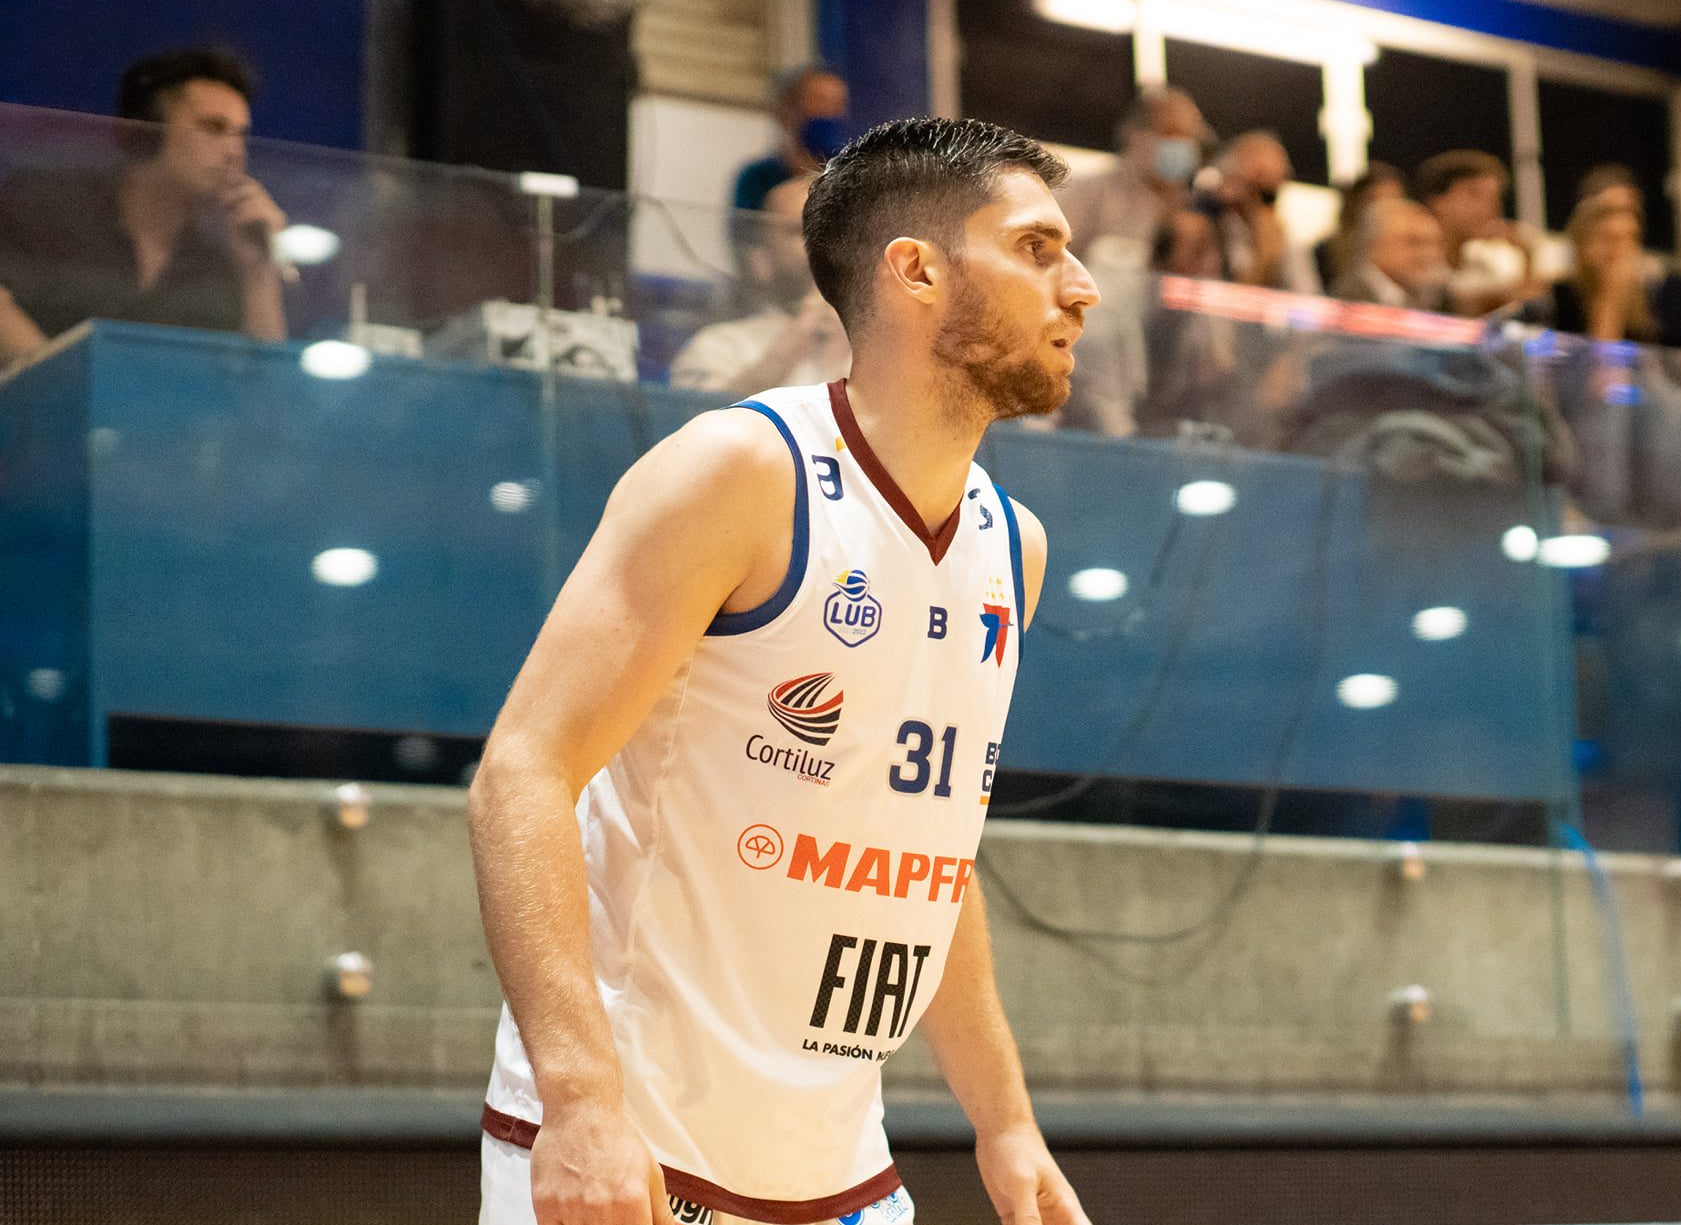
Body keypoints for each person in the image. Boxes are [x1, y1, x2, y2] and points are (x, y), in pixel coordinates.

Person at [471, 116, 1099, 1225]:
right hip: (635, 1147)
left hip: (839, 1164)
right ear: (915, 270)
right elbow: (521, 773)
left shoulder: (1016, 546)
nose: (1082, 287)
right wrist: (578, 1101)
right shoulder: (741, 471)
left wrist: (1004, 1120)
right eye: (1037, 249)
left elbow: (930, 852)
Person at [0, 47, 288, 367]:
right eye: (213, 128)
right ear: (148, 131)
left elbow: (263, 384)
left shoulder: (219, 264)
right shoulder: (46, 202)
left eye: (241, 135)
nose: (235, 152)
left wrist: (258, 273)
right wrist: (63, 383)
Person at [1057, 86, 1212, 435]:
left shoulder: (1198, 213)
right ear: (1135, 135)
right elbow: (1048, 267)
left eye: (1191, 138)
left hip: (1171, 368)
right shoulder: (1088, 193)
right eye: (1171, 133)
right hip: (1093, 370)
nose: (1182, 146)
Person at [671, 176, 849, 395]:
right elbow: (708, 411)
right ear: (761, 252)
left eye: (837, 230)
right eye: (799, 230)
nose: (823, 243)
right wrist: (796, 339)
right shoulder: (719, 347)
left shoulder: (877, 346)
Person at [1541, 196, 1681, 351]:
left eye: (1630, 239)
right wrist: (1610, 301)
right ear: (1582, 247)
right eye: (1609, 239)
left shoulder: (1655, 300)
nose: (1621, 252)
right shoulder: (1558, 301)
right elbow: (1601, 377)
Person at [1414, 149, 1541, 318]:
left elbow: (1527, 309)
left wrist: (1527, 255)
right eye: (1474, 195)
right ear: (1437, 201)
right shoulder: (1416, 262)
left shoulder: (1480, 264)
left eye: (1495, 198)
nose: (1488, 207)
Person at [1197, 131, 1320, 295]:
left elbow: (1307, 296)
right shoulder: (1205, 228)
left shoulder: (1285, 238)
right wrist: (1262, 262)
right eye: (1256, 186)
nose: (1261, 203)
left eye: (1271, 193)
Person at [731, 65, 851, 212]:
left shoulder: (848, 174)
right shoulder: (756, 179)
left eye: (837, 104)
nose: (830, 112)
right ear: (786, 110)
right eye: (819, 101)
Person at [1331, 199, 1447, 311]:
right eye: (1414, 242)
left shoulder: (1439, 300)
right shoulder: (1342, 302)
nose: (1430, 254)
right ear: (1374, 245)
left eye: (1436, 244)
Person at [1314, 160, 1405, 292]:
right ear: (1355, 202)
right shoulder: (1325, 251)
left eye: (1393, 201)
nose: (1382, 208)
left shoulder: (1409, 251)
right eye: (1374, 200)